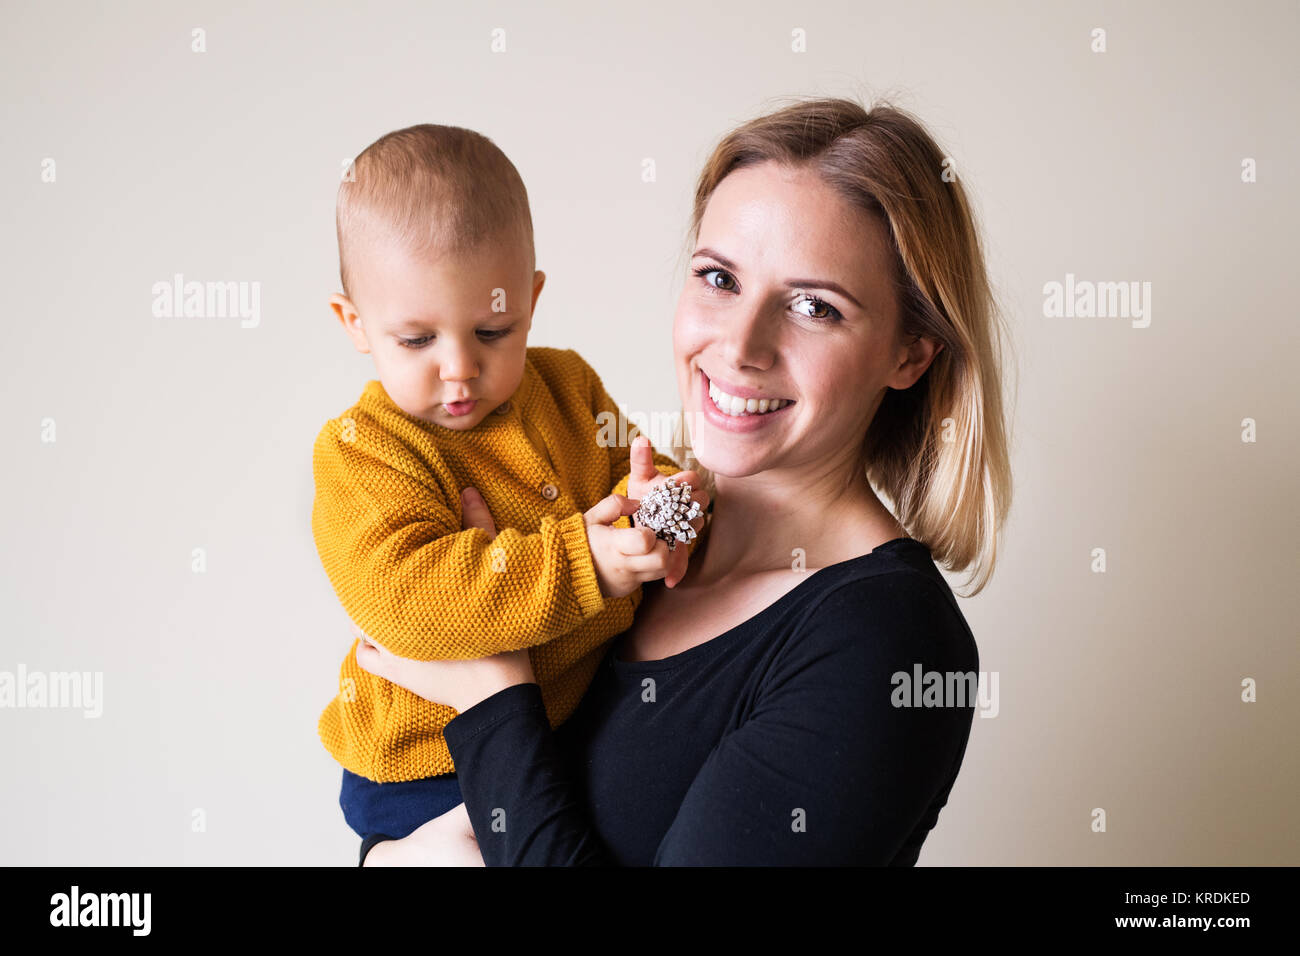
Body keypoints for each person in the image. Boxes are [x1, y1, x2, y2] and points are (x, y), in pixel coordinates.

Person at [354, 96, 1014, 865]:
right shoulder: (610, 527)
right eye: (720, 279)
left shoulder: (895, 646)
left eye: (814, 306)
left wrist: (493, 696)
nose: (739, 347)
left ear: (911, 353)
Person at [312, 123, 709, 867]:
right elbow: (407, 598)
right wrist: (586, 561)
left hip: (556, 734)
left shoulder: (568, 385)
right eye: (417, 340)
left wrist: (666, 507)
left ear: (531, 299)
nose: (459, 368)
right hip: (426, 767)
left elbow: (632, 478)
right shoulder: (365, 451)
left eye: (493, 330)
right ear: (355, 324)